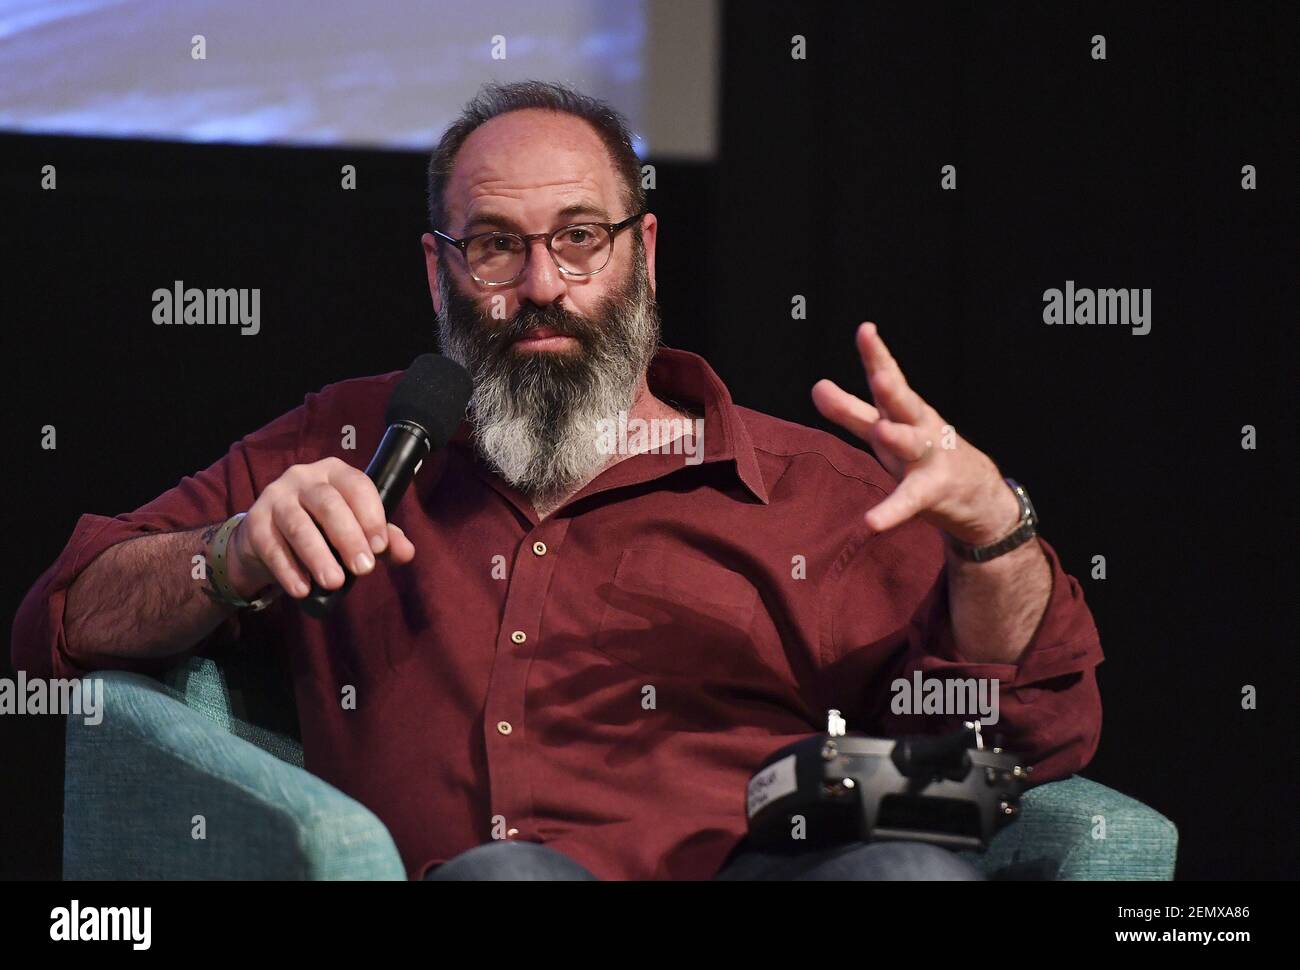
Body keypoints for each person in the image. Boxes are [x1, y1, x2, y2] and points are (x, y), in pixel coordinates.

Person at [12, 80, 1103, 881]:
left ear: (645, 253)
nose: (543, 284)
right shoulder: (346, 442)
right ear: (436, 267)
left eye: (580, 237)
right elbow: (60, 623)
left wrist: (994, 539)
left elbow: (1027, 739)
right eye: (494, 246)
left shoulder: (813, 492)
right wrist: (230, 553)